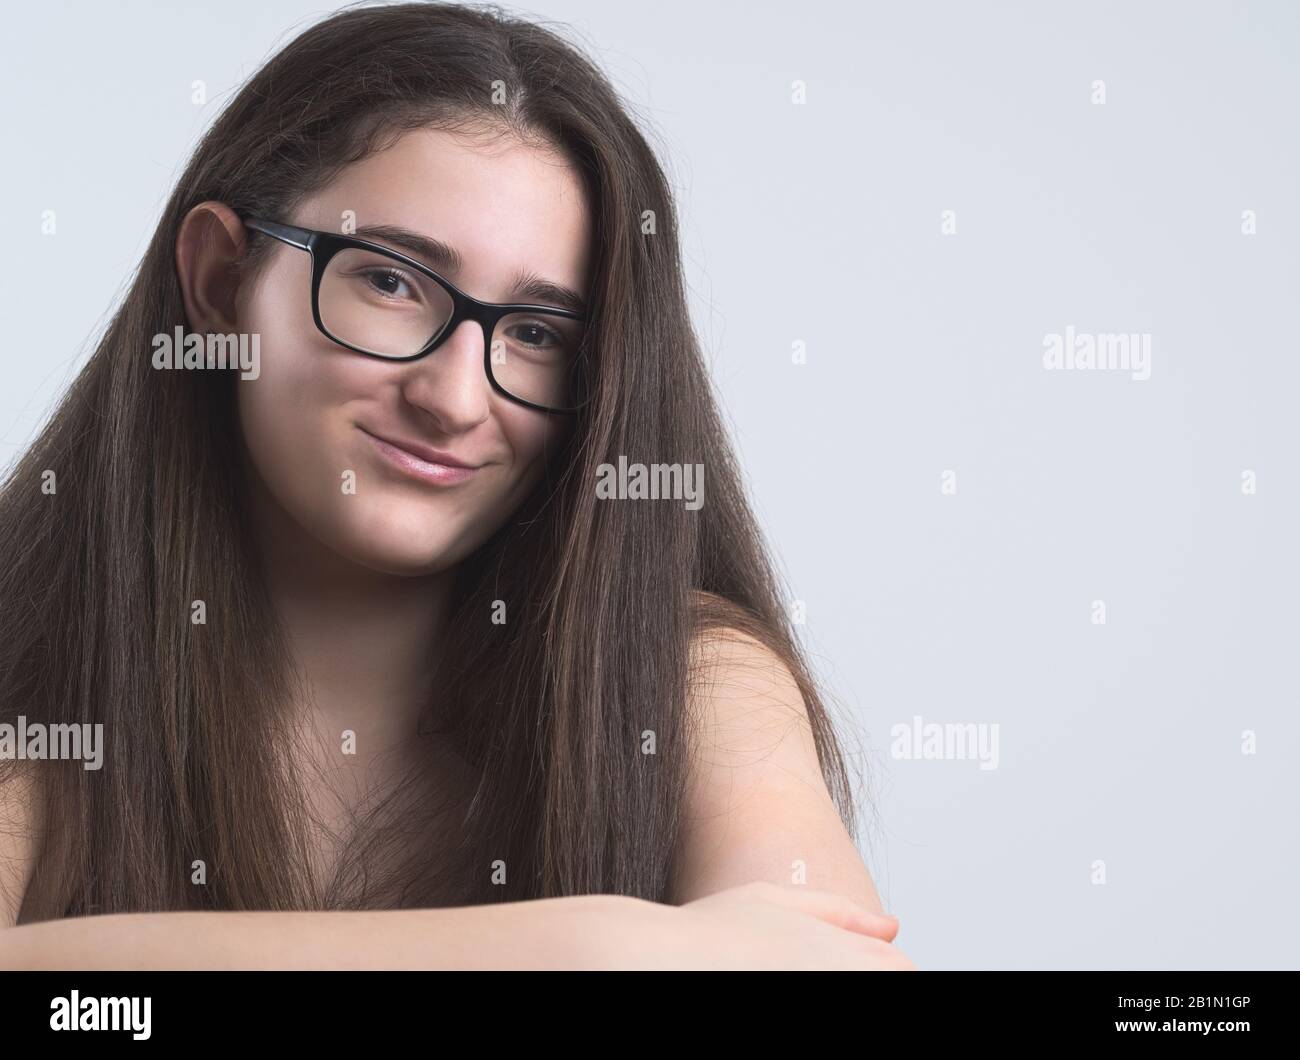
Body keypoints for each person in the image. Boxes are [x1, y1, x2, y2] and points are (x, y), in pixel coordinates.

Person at [0, 1, 912, 970]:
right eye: (391, 282)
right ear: (223, 281)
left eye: (535, 334)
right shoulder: (38, 649)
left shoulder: (684, 677)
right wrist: (602, 946)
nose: (454, 397)